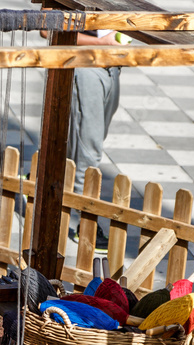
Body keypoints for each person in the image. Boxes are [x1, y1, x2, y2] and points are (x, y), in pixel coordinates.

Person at [66, 30, 122, 254]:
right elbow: (46, 27)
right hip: (86, 65)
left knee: (86, 140)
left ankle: (40, 175)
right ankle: (86, 223)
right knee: (89, 150)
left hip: (113, 67)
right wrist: (100, 42)